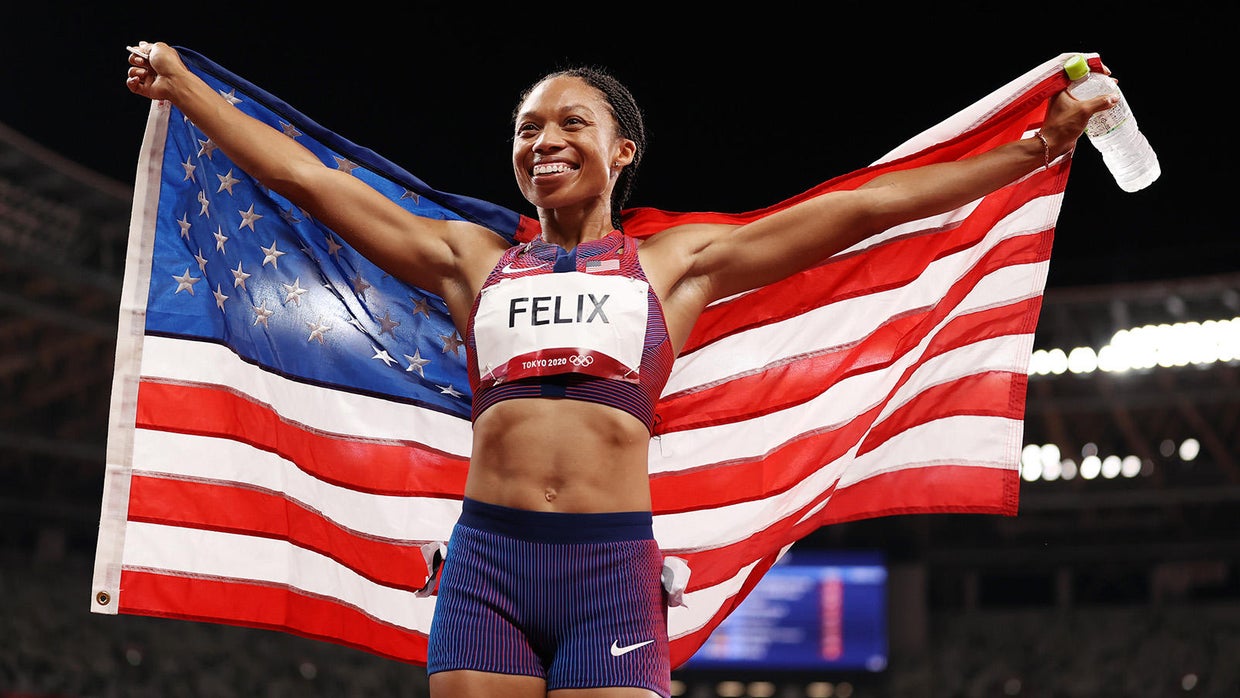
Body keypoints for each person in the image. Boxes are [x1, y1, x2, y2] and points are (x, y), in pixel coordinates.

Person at [124, 40, 1112, 698]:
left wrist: (1027, 152)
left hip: (610, 570)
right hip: (488, 566)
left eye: (570, 124)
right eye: (527, 129)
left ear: (620, 150)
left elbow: (856, 213)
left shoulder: (674, 265)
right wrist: (187, 88)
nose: (543, 140)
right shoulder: (471, 260)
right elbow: (305, 178)